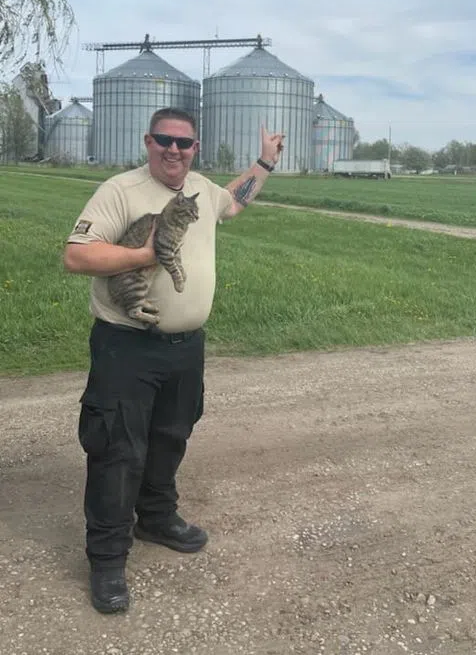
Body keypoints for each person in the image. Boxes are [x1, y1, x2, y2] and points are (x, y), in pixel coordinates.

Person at [64, 108, 284, 614]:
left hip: (186, 348)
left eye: (183, 143)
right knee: (118, 449)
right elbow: (77, 255)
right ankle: (107, 558)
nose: (173, 150)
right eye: (164, 140)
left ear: (195, 148)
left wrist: (264, 164)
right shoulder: (121, 191)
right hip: (127, 344)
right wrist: (144, 257)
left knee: (171, 436)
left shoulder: (203, 190)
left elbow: (235, 202)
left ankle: (157, 518)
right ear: (148, 141)